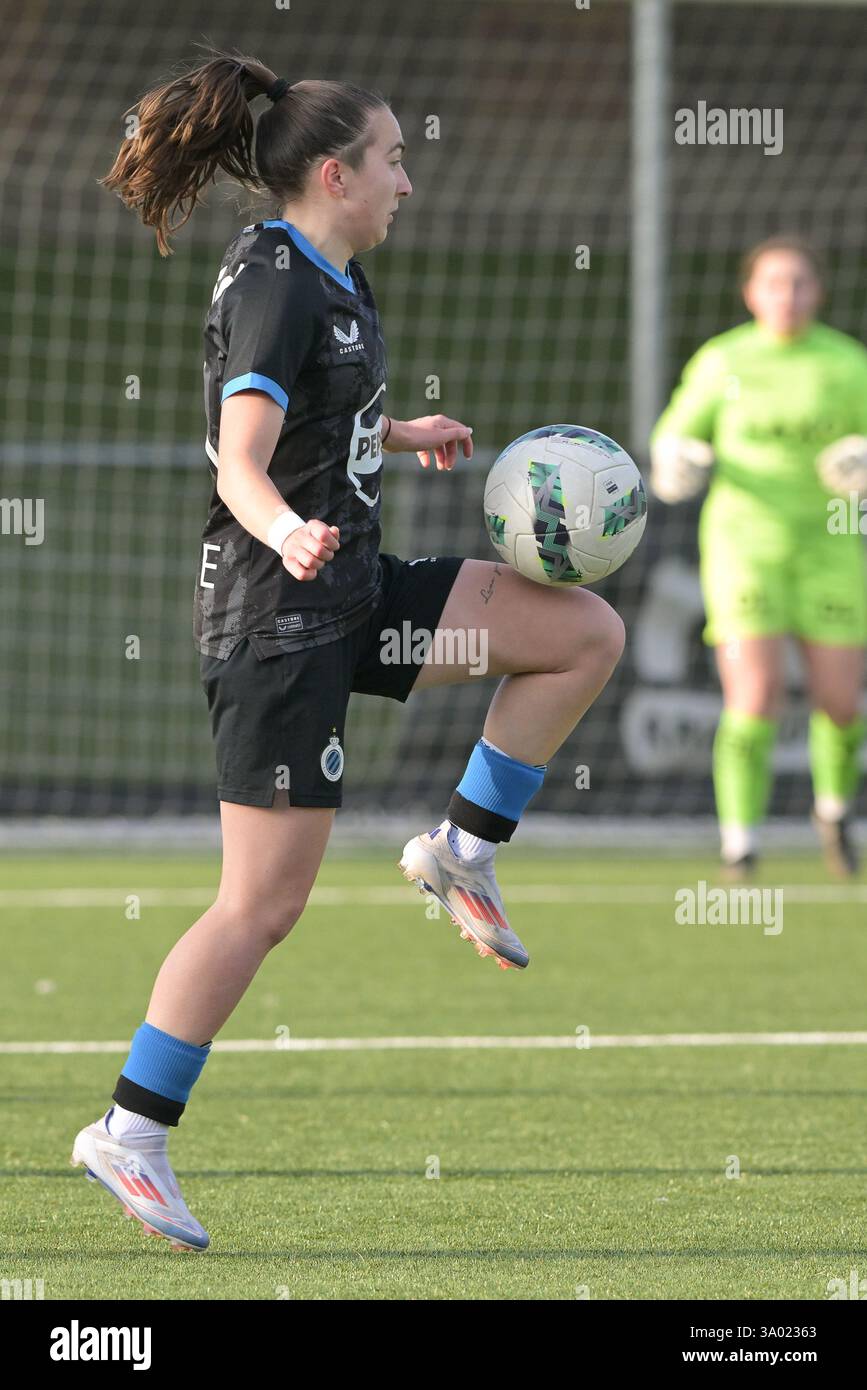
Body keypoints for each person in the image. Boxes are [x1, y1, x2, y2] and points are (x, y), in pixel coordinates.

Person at [70, 49, 626, 1252]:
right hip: (278, 623)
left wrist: (396, 426)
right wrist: (287, 530)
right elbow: (238, 455)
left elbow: (320, 415)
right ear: (335, 171)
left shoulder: (333, 272)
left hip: (357, 596)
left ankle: (462, 850)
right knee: (260, 907)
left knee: (580, 630)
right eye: (394, 161)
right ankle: (130, 1129)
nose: (407, 184)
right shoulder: (277, 281)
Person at [650, 235, 867, 878]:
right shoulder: (724, 361)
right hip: (744, 547)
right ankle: (739, 845)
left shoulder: (846, 363)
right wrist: (675, 461)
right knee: (754, 695)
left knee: (840, 704)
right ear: (751, 293)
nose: (787, 296)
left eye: (799, 283)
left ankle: (833, 813)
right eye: (774, 283)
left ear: (818, 292)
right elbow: (675, 434)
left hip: (830, 545)